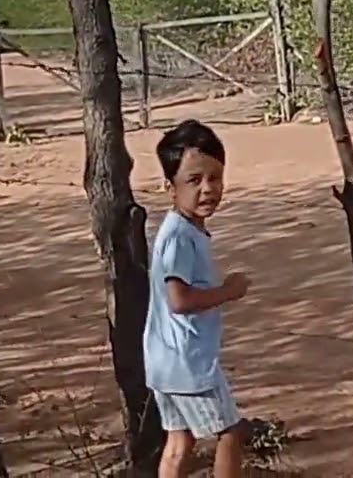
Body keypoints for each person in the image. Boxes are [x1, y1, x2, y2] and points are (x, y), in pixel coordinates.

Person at [144, 119, 251, 478]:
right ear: (169, 186)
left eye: (215, 178)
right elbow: (179, 299)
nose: (208, 189)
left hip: (164, 362)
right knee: (230, 433)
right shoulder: (179, 238)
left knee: (179, 442)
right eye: (194, 180)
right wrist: (228, 292)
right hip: (188, 362)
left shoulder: (186, 230)